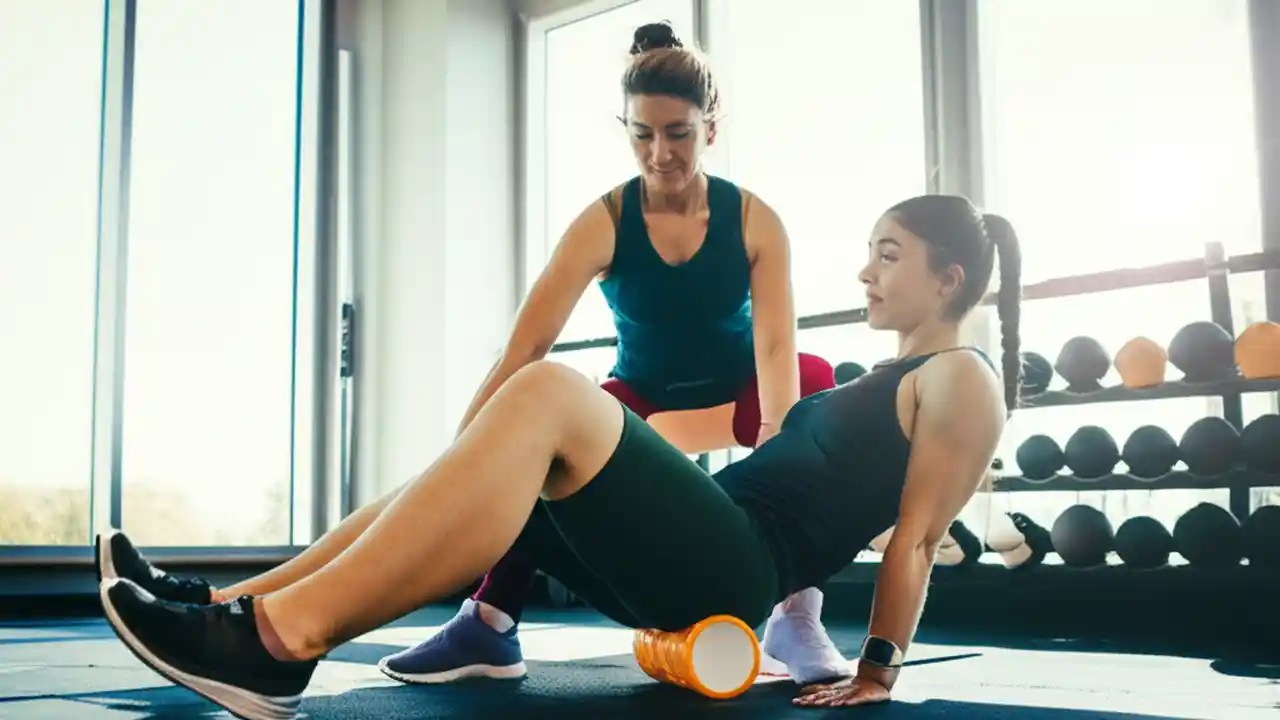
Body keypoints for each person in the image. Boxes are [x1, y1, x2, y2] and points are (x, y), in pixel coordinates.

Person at [96, 193, 1021, 718]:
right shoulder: (887, 377)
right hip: (700, 549)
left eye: (889, 256)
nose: (866, 272)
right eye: (869, 253)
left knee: (549, 390)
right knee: (475, 473)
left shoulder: (962, 377)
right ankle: (238, 606)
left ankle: (278, 644)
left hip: (738, 566)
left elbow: (915, 538)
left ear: (949, 279)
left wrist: (878, 671)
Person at [372, 20, 840, 685]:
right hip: (643, 403)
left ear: (711, 129)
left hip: (737, 392)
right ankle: (489, 625)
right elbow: (527, 347)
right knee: (533, 439)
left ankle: (796, 617)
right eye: (641, 134)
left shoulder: (754, 219)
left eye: (678, 134)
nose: (660, 154)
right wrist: (465, 452)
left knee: (814, 381)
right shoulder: (604, 222)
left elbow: (774, 345)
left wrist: (779, 451)